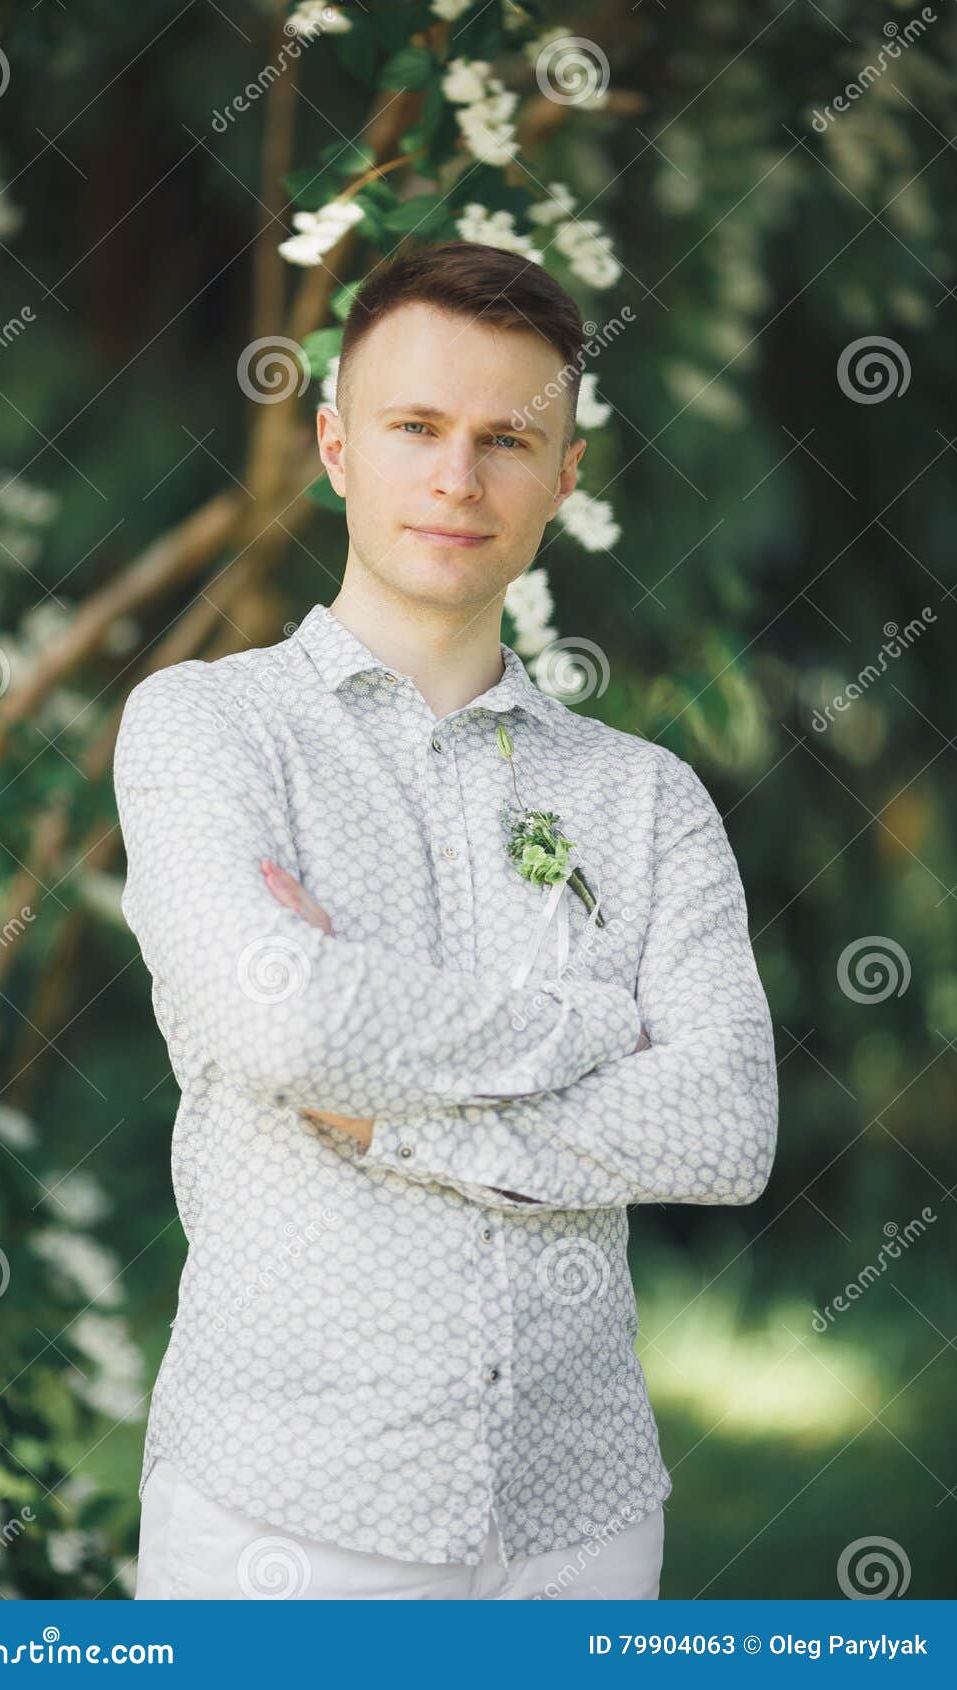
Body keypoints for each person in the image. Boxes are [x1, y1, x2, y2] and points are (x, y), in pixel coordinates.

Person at [114, 241, 778, 1600]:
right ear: (337, 444)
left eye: (506, 439)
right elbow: (286, 1017)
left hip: (577, 1517)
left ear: (565, 475)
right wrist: (592, 1025)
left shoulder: (646, 799)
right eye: (416, 426)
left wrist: (401, 1115)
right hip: (285, 1510)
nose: (458, 478)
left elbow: (726, 1123)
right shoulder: (206, 728)